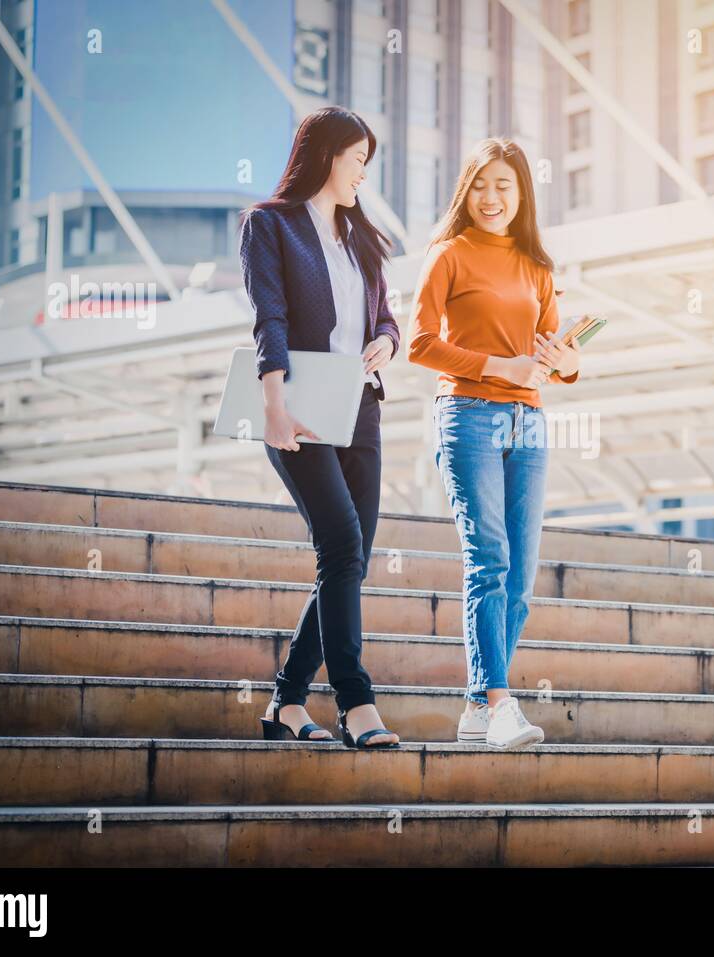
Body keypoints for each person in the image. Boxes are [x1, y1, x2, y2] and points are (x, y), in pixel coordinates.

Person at [408, 138, 581, 750]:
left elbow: (552, 350)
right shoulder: (449, 255)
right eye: (480, 185)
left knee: (522, 579)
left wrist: (565, 359)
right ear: (466, 191)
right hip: (468, 414)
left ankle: (478, 704)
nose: (491, 197)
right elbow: (419, 344)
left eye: (504, 185)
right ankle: (503, 705)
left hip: (529, 422)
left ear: (522, 194)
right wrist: (496, 368)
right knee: (490, 560)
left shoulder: (537, 265)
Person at [239, 106, 400, 749]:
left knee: (349, 558)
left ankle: (286, 702)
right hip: (300, 405)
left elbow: (386, 318)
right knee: (339, 545)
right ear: (327, 154)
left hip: (360, 408)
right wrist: (273, 405)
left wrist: (388, 342)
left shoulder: (363, 235)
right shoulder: (270, 225)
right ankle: (356, 704)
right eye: (357, 158)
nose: (363, 171)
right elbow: (269, 317)